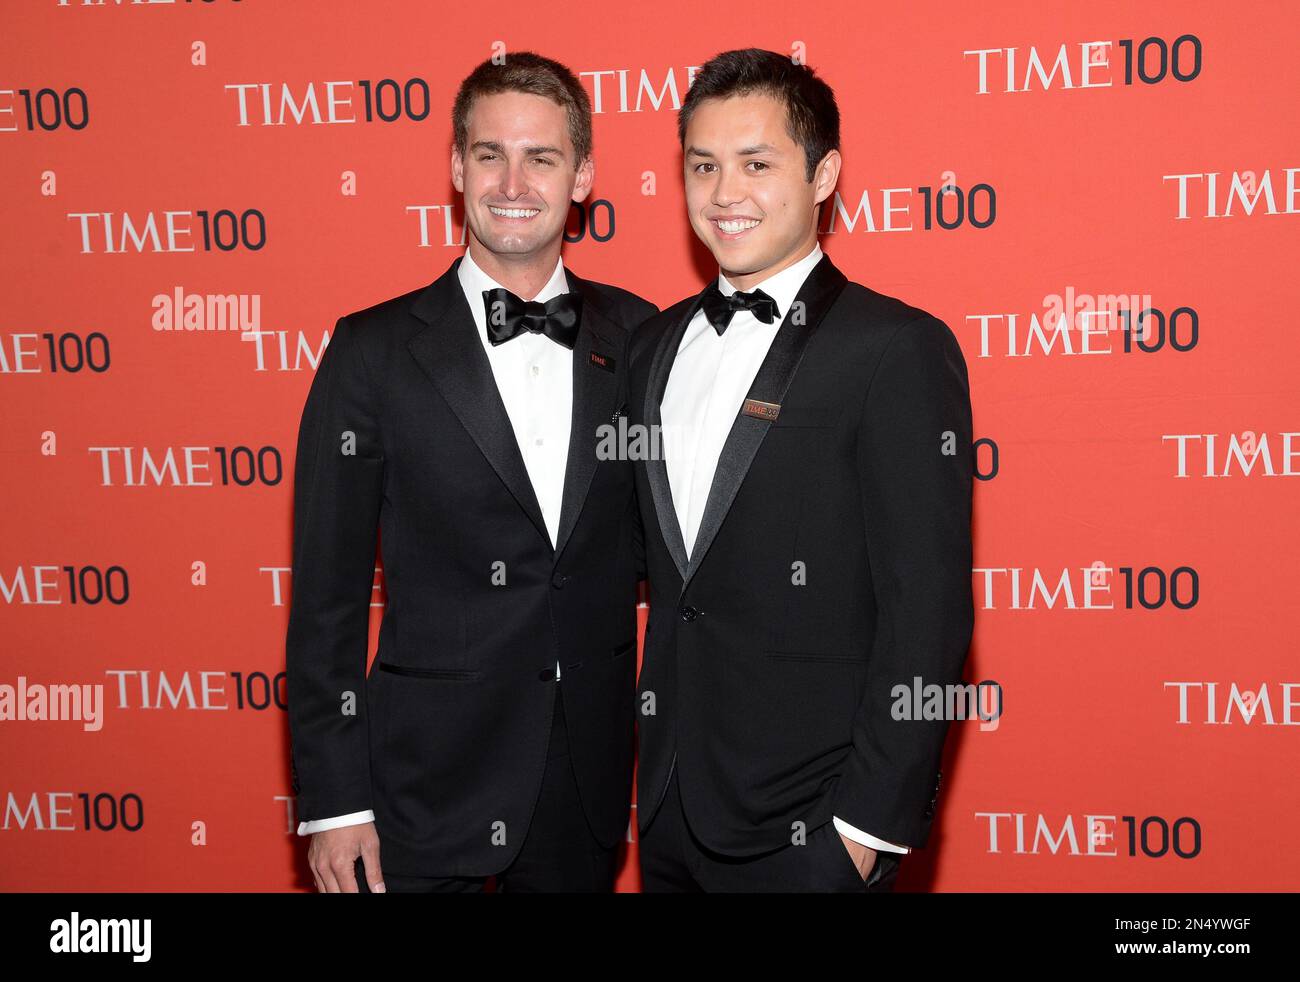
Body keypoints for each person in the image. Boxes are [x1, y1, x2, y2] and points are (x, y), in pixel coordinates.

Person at [286, 51, 656, 893]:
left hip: (583, 787)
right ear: (456, 168)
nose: (513, 181)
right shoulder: (372, 352)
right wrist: (336, 803)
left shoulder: (640, 337)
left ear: (584, 175)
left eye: (543, 157)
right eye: (490, 153)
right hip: (418, 787)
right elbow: (326, 601)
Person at [630, 48, 974, 892]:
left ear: (824, 176)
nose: (723, 193)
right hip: (669, 812)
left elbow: (926, 608)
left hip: (812, 829)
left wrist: (864, 830)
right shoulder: (652, 346)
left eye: (756, 164)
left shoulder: (895, 349)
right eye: (702, 166)